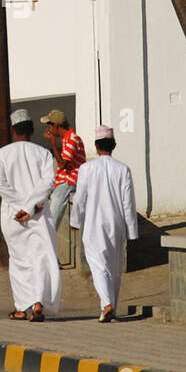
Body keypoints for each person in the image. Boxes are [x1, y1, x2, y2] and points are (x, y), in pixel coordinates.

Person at [0, 108, 60, 322]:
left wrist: (22, 207)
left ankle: (22, 307)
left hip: (14, 215)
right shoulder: (44, 153)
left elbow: (1, 186)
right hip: (39, 213)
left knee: (20, 260)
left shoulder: (2, 154)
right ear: (31, 130)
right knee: (40, 258)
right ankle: (38, 302)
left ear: (13, 130)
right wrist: (31, 206)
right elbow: (49, 182)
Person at [70, 126, 138, 323]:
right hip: (116, 225)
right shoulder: (123, 169)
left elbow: (80, 199)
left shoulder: (86, 169)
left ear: (96, 146)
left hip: (94, 225)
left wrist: (75, 221)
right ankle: (111, 308)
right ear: (114, 146)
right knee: (115, 267)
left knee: (99, 265)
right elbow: (128, 203)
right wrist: (131, 230)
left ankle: (107, 304)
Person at [40, 108, 85, 231]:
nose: (49, 129)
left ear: (56, 126)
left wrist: (53, 144)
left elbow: (62, 164)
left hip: (70, 180)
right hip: (63, 180)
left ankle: (49, 235)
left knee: (51, 223)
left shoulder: (72, 138)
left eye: (49, 125)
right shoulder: (66, 139)